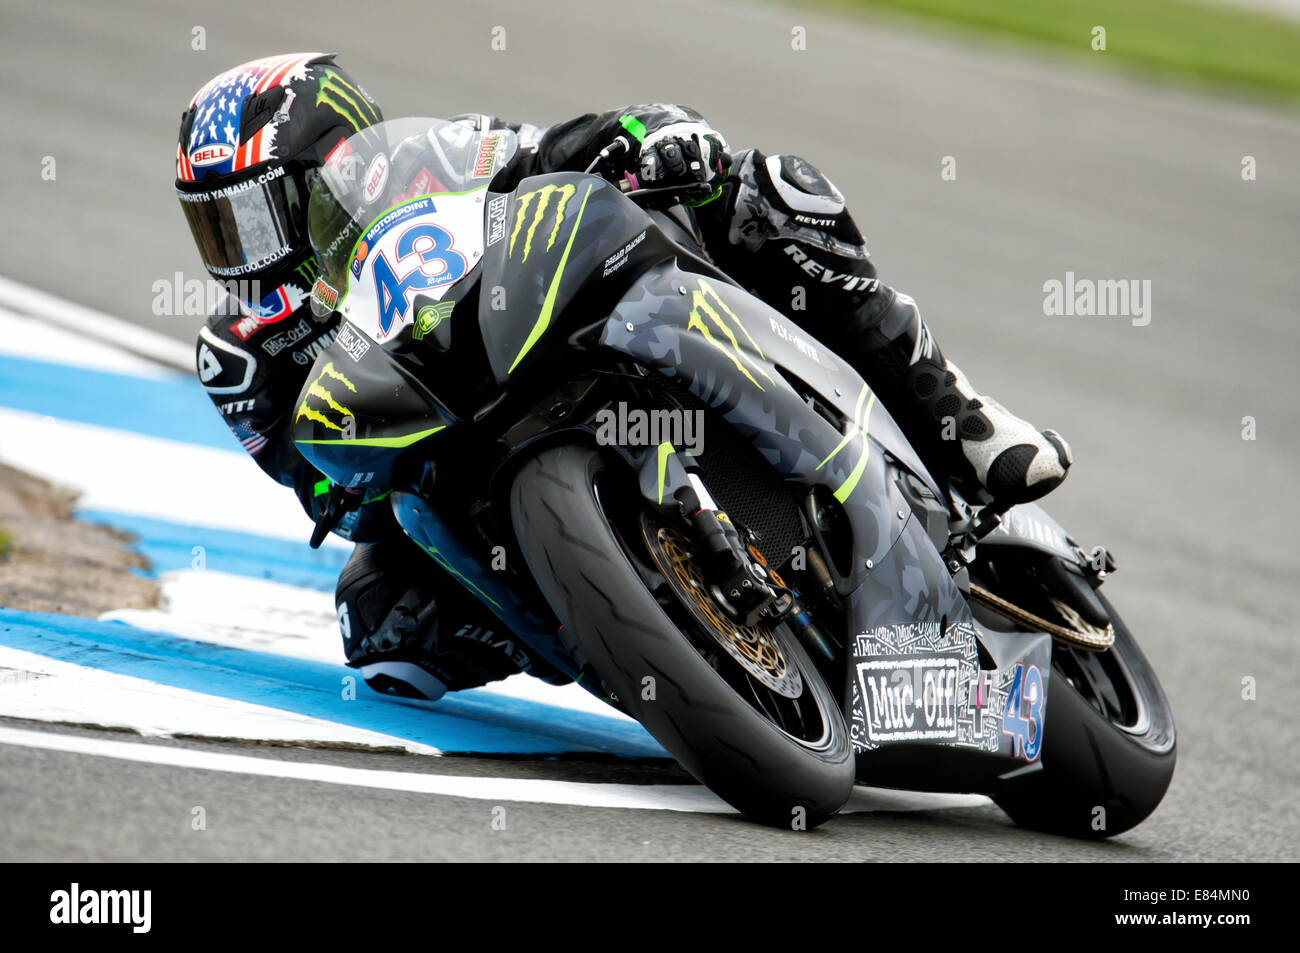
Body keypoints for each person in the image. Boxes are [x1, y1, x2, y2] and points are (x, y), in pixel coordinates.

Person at [178, 57, 1071, 702]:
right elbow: (320, 490)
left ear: (328, 169)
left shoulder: (424, 163)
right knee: (380, 631)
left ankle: (961, 418)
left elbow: (548, 153)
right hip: (445, 466)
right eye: (214, 230)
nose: (238, 255)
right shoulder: (242, 354)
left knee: (770, 192)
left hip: (544, 330)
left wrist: (647, 136)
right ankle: (644, 641)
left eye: (250, 218)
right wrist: (341, 480)